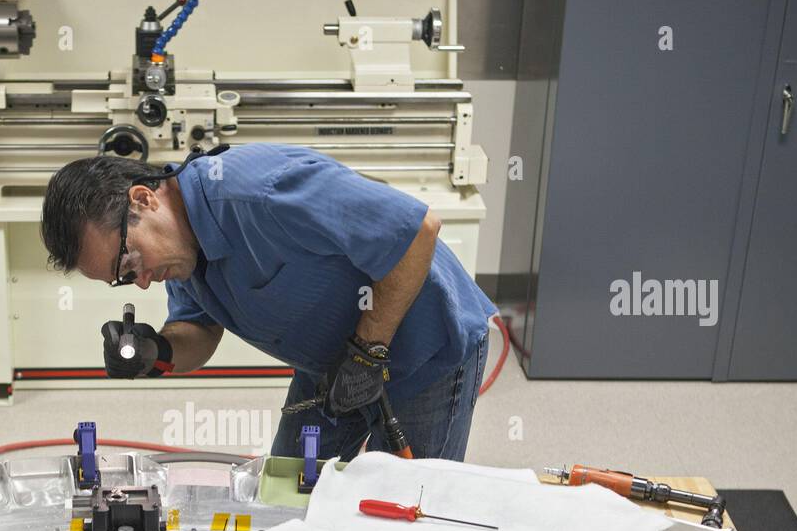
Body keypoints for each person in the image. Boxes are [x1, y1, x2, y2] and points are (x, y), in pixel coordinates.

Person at [39, 143, 496, 460]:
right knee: (286, 497)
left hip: (427, 352)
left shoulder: (260, 192)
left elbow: (418, 230)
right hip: (332, 366)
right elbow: (199, 332)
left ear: (143, 200)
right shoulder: (181, 251)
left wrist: (368, 352)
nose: (141, 283)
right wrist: (155, 352)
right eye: (123, 279)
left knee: (403, 512)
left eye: (130, 261)